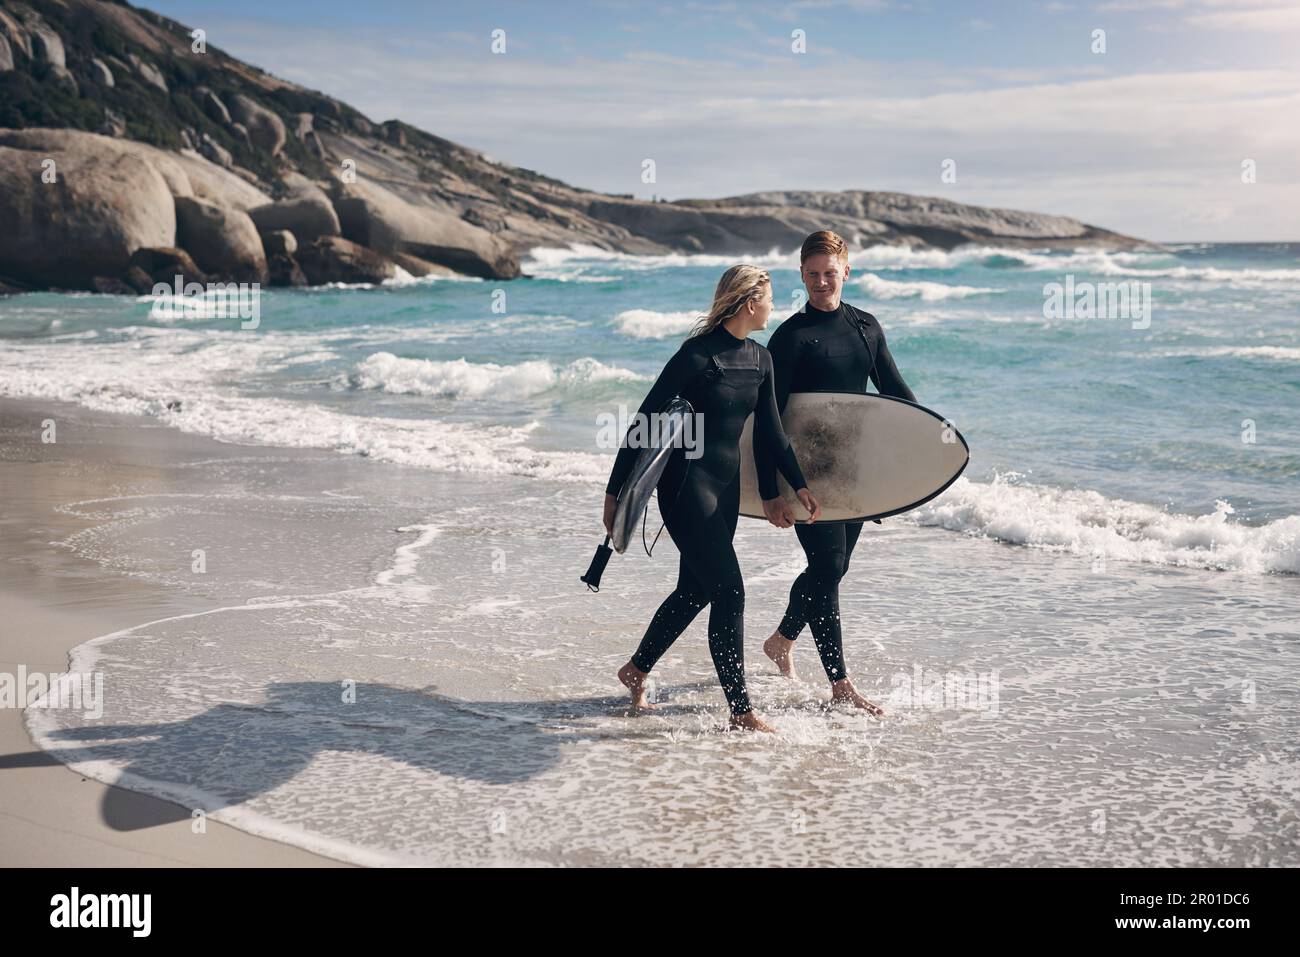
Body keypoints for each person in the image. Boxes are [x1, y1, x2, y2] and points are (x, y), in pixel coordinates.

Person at [603, 265, 820, 732]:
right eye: (769, 298)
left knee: (695, 589)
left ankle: (635, 670)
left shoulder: (761, 360)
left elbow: (772, 433)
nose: (772, 306)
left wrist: (797, 483)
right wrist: (614, 492)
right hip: (686, 489)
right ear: (750, 303)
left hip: (724, 492)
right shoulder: (696, 356)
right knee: (730, 591)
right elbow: (644, 421)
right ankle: (741, 711)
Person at [755, 230, 916, 716]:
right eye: (812, 274)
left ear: (847, 271)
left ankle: (782, 640)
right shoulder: (790, 338)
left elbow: (895, 393)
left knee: (834, 568)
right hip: (803, 471)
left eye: (830, 273)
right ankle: (840, 683)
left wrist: (927, 452)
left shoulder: (866, 327)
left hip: (853, 471)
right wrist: (770, 490)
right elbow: (768, 419)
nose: (821, 282)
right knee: (827, 567)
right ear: (801, 275)